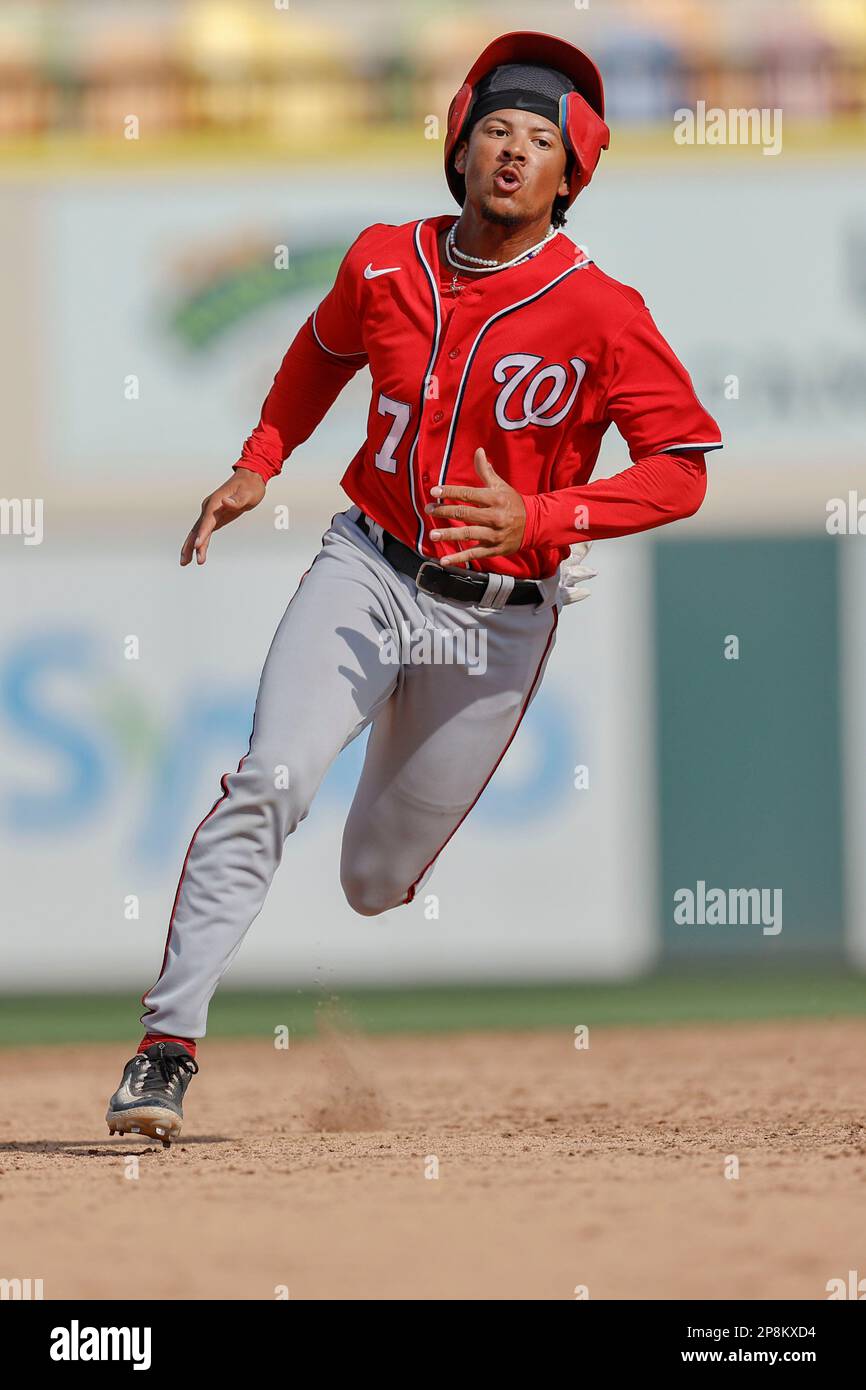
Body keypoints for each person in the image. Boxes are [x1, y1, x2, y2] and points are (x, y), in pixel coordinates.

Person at [106, 31, 721, 1145]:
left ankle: (376, 803)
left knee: (374, 882)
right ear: (457, 139)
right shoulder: (385, 259)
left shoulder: (598, 309)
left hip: (494, 619)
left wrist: (545, 517)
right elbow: (318, 350)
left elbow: (679, 469)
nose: (512, 152)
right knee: (269, 780)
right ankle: (166, 1046)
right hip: (366, 564)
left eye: (540, 140)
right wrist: (259, 459)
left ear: (569, 173)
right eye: (496, 128)